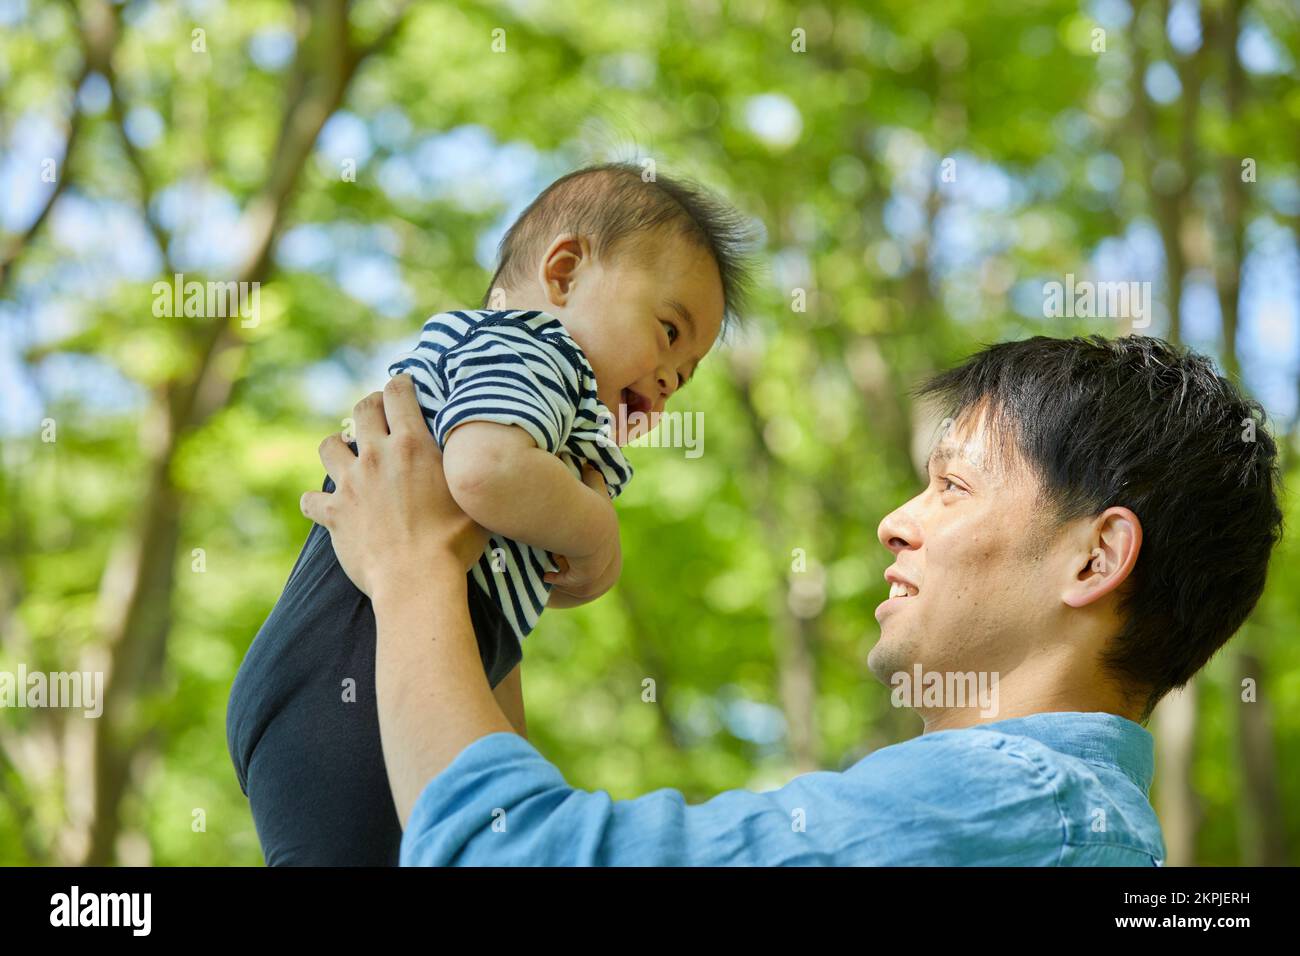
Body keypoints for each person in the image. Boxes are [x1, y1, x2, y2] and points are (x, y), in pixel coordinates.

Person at [300, 335, 1283, 865]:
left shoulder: (1015, 806)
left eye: (952, 485)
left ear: (1094, 556)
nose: (895, 522)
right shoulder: (1048, 820)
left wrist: (413, 569)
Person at [226, 163, 753, 865]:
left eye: (684, 377)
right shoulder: (535, 347)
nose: (666, 382)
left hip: (354, 667)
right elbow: (483, 472)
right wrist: (598, 538)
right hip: (343, 670)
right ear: (564, 275)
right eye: (667, 332)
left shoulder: (546, 425)